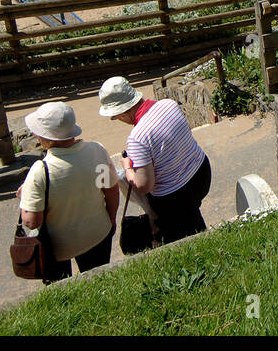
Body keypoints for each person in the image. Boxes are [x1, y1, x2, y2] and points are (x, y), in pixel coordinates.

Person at [99, 76, 211, 245]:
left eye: (115, 117)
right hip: (201, 174)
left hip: (175, 198)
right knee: (192, 216)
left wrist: (128, 168)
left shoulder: (137, 137)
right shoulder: (169, 104)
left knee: (185, 234)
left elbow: (145, 185)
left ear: (122, 113)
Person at [16, 102, 118, 284]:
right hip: (98, 233)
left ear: (46, 138)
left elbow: (32, 221)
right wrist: (110, 219)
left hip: (57, 248)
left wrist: (26, 196)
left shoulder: (40, 170)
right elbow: (110, 189)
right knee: (100, 283)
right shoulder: (96, 150)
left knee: (62, 290)